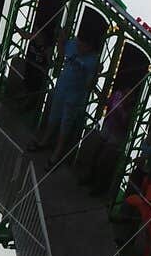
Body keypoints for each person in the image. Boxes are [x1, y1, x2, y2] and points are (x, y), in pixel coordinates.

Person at [28, 23, 101, 168]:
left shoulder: (93, 61)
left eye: (83, 46)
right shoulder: (73, 44)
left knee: (66, 124)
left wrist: (95, 76)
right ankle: (45, 141)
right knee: (53, 115)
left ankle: (57, 153)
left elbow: (88, 86)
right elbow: (62, 53)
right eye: (79, 43)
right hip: (62, 86)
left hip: (75, 95)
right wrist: (61, 40)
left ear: (91, 46)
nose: (79, 47)